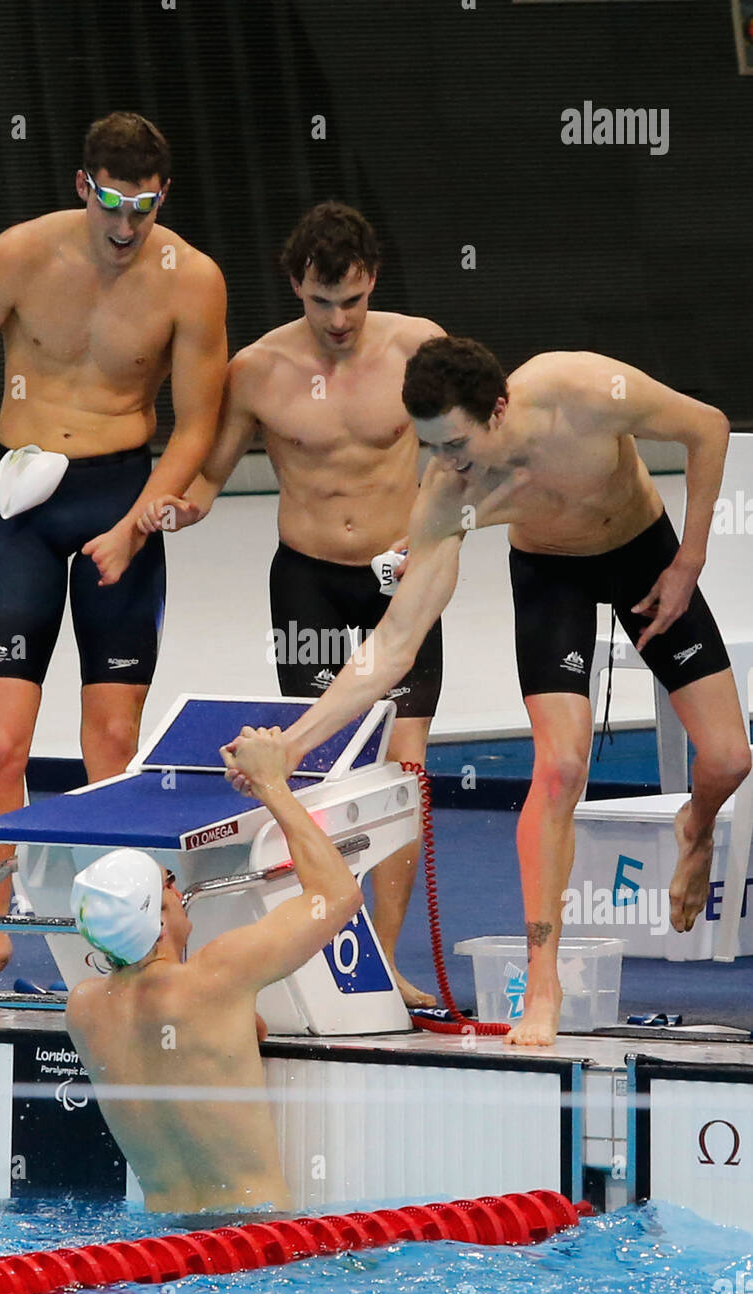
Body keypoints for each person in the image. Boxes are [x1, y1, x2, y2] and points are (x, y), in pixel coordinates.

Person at [224, 336, 752, 1046]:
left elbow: (708, 427)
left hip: (644, 552)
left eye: (457, 445)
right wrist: (290, 745)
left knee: (728, 760)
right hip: (549, 579)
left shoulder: (584, 392)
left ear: (499, 408)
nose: (446, 464)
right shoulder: (448, 493)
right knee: (560, 768)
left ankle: (695, 828)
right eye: (432, 447)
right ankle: (543, 982)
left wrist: (689, 559)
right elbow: (391, 647)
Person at [0, 112, 227, 973]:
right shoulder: (19, 256)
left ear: (165, 198)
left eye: (144, 209)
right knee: (2, 740)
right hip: (25, 510)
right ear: (84, 186)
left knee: (111, 743)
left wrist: (135, 524)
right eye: (112, 204)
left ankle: (110, 934)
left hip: (123, 495)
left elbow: (197, 427)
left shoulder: (192, 281)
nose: (126, 229)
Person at [138, 202, 444, 1007]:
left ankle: (382, 958)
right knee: (320, 766)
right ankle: (327, 950)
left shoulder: (420, 349)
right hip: (307, 583)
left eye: (351, 300)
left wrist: (436, 529)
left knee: (403, 768)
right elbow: (211, 473)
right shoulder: (258, 370)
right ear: (295, 288)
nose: (338, 320)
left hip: (396, 581)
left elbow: (465, 457)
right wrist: (186, 506)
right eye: (320, 302)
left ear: (373, 281)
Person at [65, 726, 362, 1214]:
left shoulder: (84, 1008)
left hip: (157, 1246)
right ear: (161, 917)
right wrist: (271, 785)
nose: (180, 891)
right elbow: (336, 894)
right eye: (168, 884)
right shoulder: (215, 976)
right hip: (255, 1243)